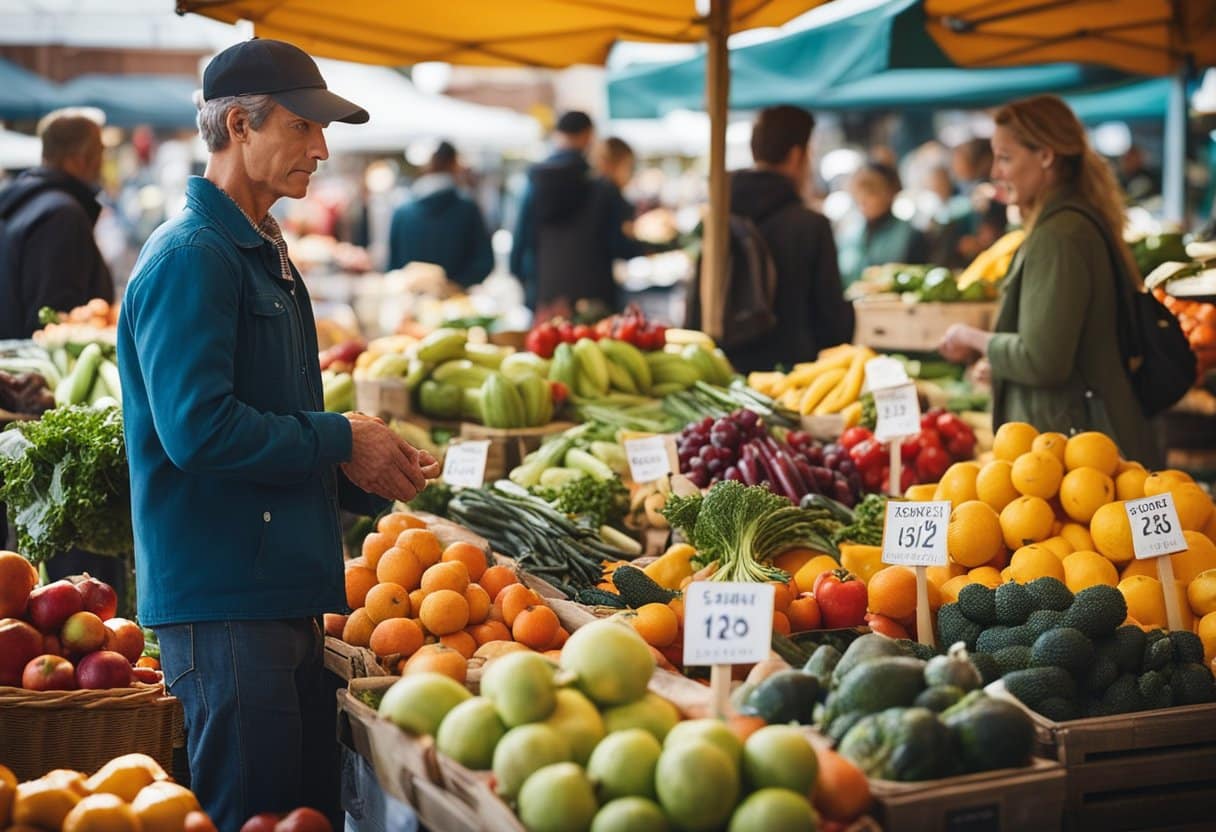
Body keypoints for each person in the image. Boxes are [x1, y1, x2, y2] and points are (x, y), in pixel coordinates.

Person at [116, 39, 440, 830]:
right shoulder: (193, 257)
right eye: (302, 127)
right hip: (227, 602)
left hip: (279, 591)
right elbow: (198, 431)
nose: (321, 149)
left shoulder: (263, 251)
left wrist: (361, 468)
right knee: (254, 814)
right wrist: (340, 439)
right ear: (239, 126)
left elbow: (270, 417)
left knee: (300, 817)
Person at [937, 95, 1160, 466]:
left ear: (1045, 156)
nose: (995, 172)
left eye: (1005, 158)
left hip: (1079, 456)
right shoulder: (1072, 222)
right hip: (1079, 452)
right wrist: (1002, 367)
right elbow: (1064, 347)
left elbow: (1043, 360)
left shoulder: (1059, 236)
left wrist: (969, 337)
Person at [720, 105, 853, 372]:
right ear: (796, 155)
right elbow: (833, 325)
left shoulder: (719, 219)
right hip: (795, 380)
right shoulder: (811, 225)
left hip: (726, 374)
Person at [0, 108, 114, 339]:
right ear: (79, 159)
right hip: (39, 360)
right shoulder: (62, 215)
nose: (103, 161)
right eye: (100, 151)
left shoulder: (23, 201)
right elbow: (55, 322)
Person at [509, 111, 594, 310]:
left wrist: (519, 273)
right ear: (587, 135)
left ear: (558, 134)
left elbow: (521, 231)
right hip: (587, 287)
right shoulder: (595, 183)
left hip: (541, 283)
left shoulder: (536, 179)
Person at [387, 140, 494, 286]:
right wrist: (454, 285)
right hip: (457, 298)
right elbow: (484, 262)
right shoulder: (468, 210)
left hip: (410, 297)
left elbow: (393, 267)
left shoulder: (402, 213)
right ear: (454, 163)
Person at [837, 161, 929, 286]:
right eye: (858, 190)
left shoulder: (910, 235)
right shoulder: (849, 235)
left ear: (891, 192)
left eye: (871, 190)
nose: (863, 197)